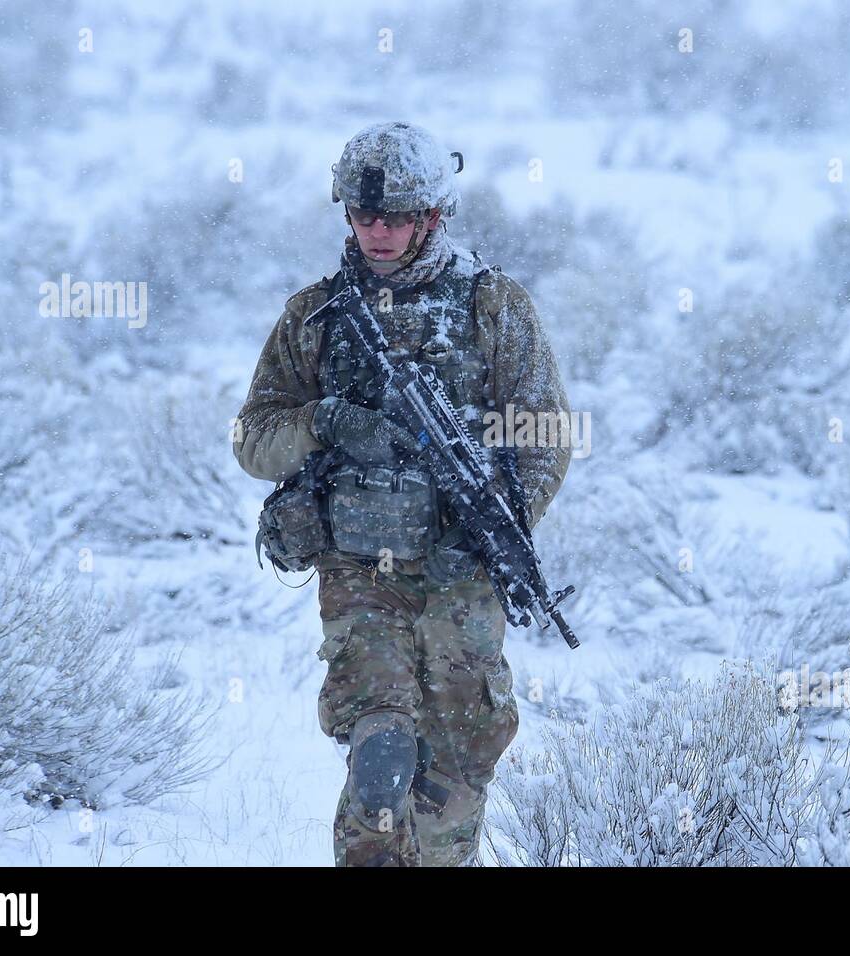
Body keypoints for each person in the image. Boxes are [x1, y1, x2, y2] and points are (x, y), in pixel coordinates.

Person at [231, 121, 572, 866]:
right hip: (360, 570)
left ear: (432, 217)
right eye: (364, 216)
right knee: (382, 754)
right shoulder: (313, 317)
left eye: (396, 219)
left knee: (453, 770)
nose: (378, 232)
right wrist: (325, 421)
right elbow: (253, 438)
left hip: (462, 576)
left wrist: (492, 526)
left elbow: (544, 434)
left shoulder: (492, 306)